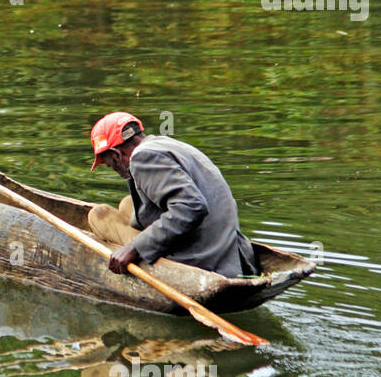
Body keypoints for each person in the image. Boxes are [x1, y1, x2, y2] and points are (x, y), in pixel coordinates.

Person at [85, 112, 259, 279]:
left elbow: (191, 206)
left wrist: (133, 248)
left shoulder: (142, 158)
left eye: (111, 165)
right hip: (232, 254)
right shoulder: (166, 144)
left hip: (201, 260)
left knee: (100, 215)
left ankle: (139, 247)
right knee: (127, 204)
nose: (117, 172)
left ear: (116, 154)